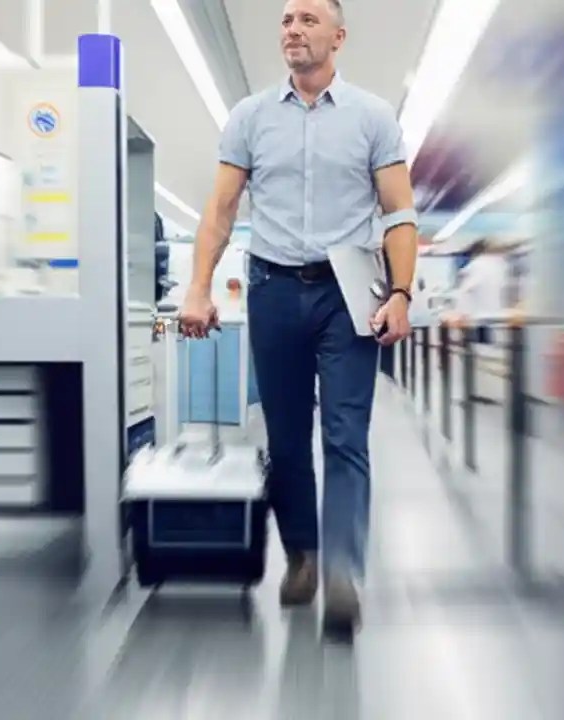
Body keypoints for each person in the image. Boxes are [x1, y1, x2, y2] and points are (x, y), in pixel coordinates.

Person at [178, 0, 418, 639]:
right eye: (286, 20)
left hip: (348, 293)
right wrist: (198, 287)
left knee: (345, 434)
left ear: (338, 37)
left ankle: (342, 571)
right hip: (272, 288)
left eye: (308, 19)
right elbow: (221, 209)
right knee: (285, 438)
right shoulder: (250, 118)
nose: (292, 28)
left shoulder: (372, 117)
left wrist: (401, 292)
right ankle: (304, 556)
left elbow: (398, 213)